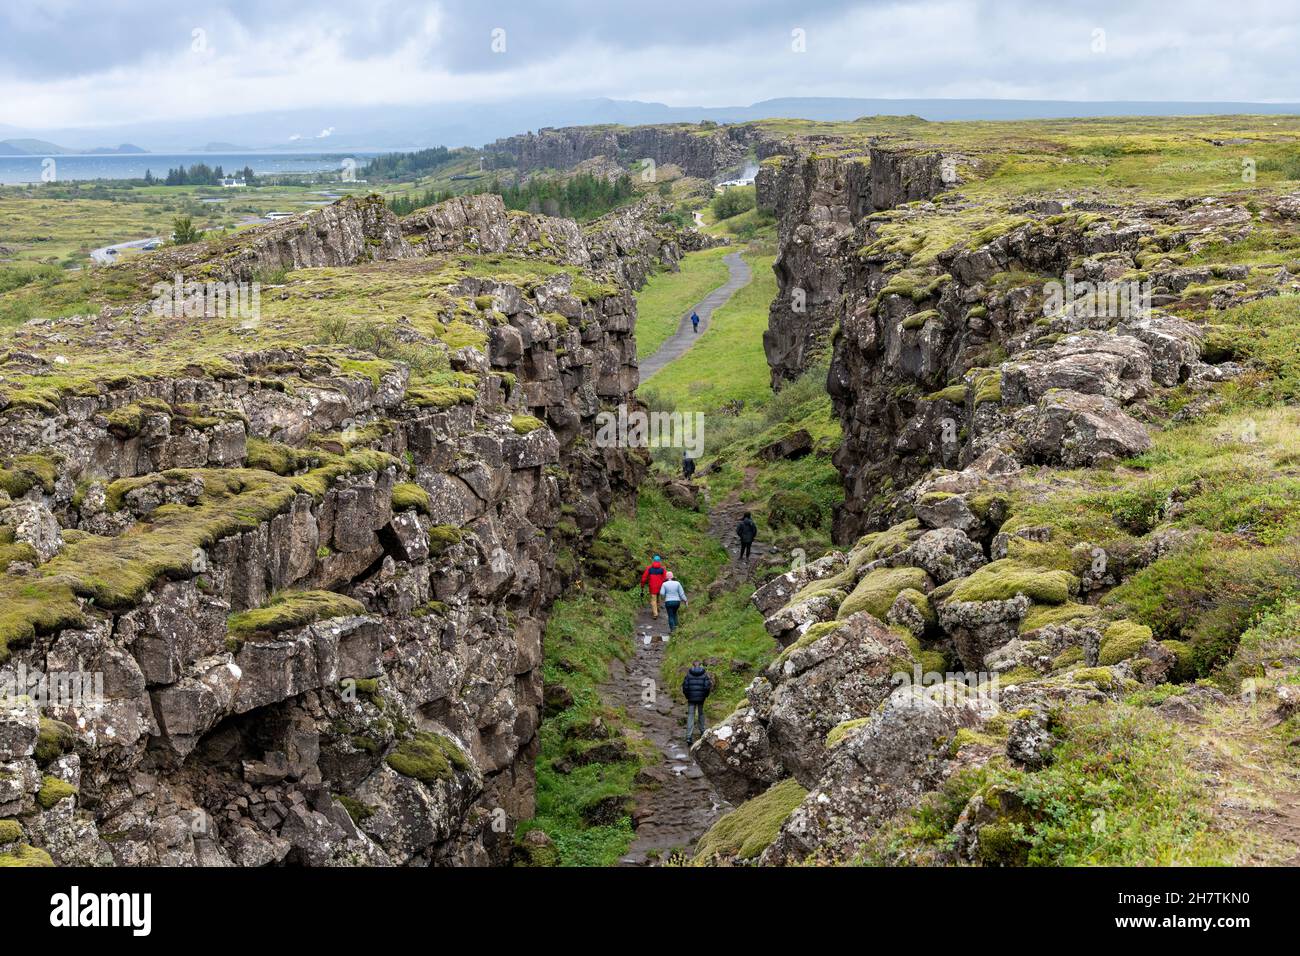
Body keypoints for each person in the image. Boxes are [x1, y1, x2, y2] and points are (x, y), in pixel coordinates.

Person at [682, 661, 713, 745]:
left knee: (690, 715)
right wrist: (705, 696)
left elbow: (685, 687)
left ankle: (688, 736)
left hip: (691, 699)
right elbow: (707, 687)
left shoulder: (688, 674)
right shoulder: (704, 675)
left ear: (693, 665)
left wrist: (687, 696)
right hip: (701, 699)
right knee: (701, 713)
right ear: (700, 665)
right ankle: (702, 731)